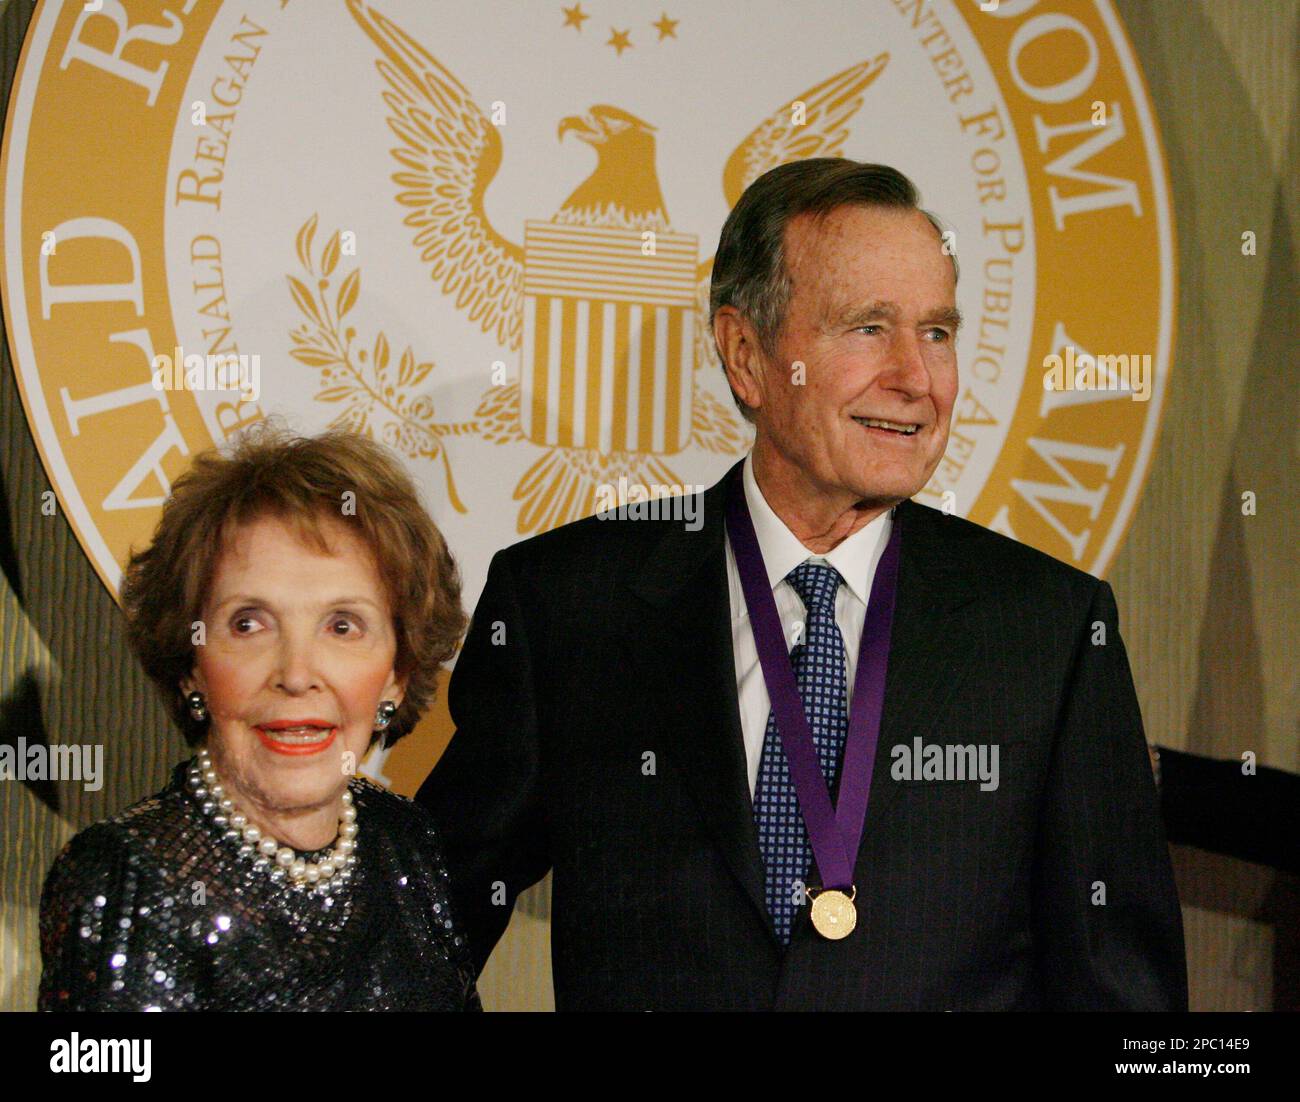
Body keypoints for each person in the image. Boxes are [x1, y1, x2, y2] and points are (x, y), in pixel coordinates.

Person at [417, 158, 1188, 1010]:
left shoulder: (1049, 630)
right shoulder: (567, 606)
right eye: (868, 327)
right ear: (747, 355)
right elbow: (417, 930)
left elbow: (1127, 1002)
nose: (916, 377)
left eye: (937, 332)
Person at [39, 422, 480, 1011]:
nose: (296, 674)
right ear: (190, 664)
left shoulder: (404, 841)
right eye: (249, 624)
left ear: (397, 674)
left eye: (342, 626)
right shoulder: (128, 877)